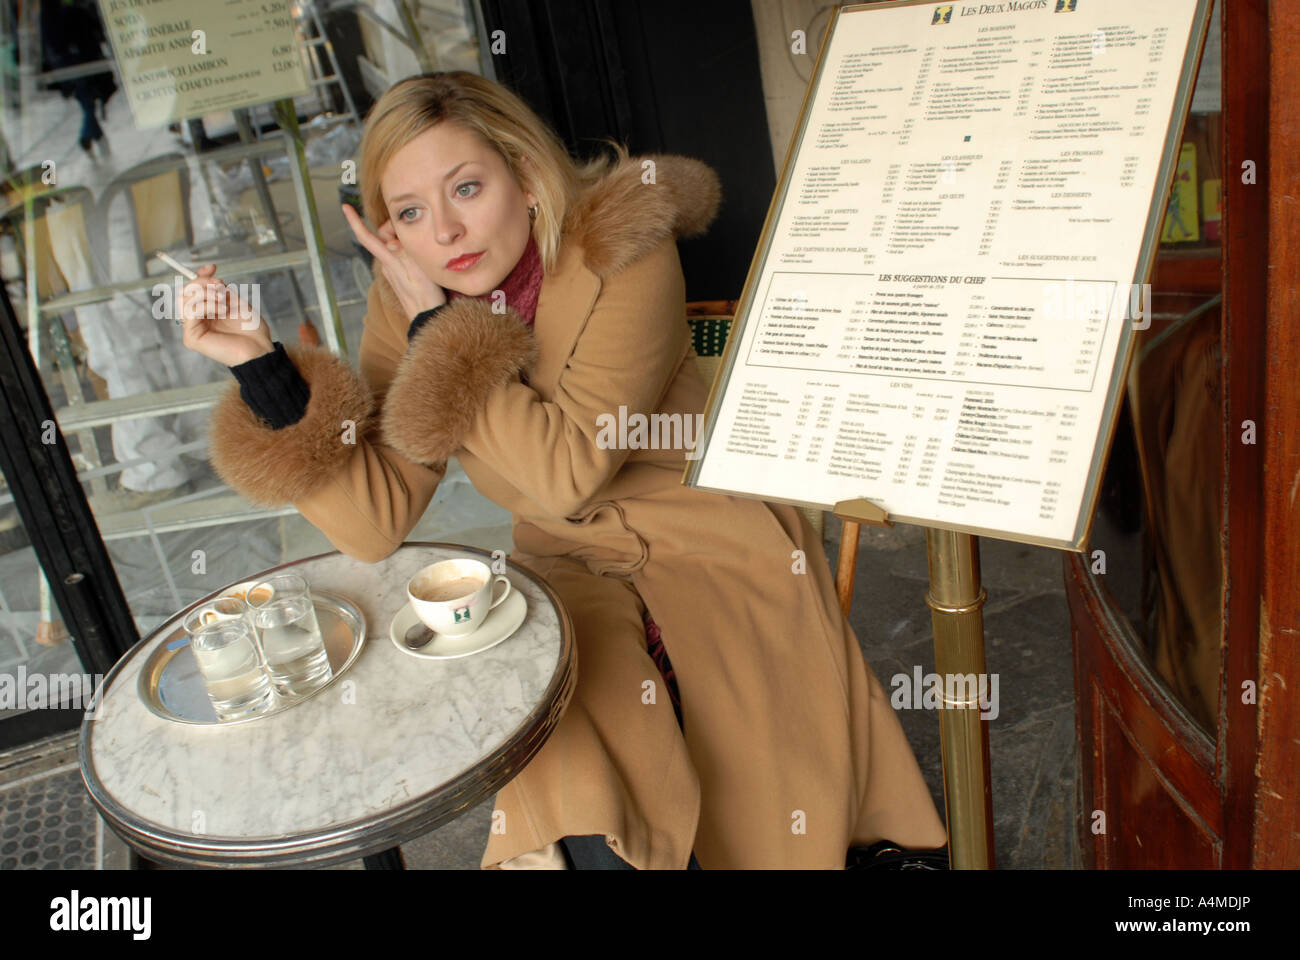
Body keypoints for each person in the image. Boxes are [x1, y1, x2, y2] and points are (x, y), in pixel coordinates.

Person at [180, 71, 949, 869]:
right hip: (567, 560)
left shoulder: (622, 250)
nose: (444, 231)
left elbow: (568, 473)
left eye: (467, 188)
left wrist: (443, 332)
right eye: (410, 213)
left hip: (707, 541)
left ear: (523, 173)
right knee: (569, 761)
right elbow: (377, 521)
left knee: (740, 786)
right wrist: (262, 370)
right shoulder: (409, 295)